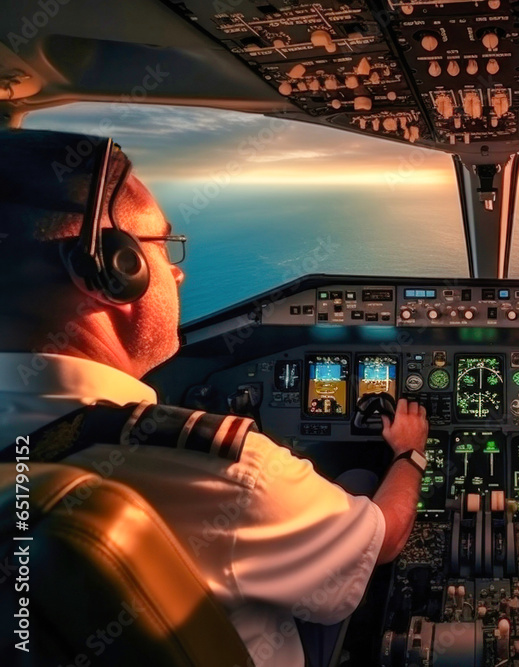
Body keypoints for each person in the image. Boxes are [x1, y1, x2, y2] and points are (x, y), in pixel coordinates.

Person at [0, 129, 429, 666]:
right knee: (366, 486)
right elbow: (385, 540)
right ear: (112, 270)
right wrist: (409, 452)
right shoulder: (228, 472)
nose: (177, 272)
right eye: (160, 246)